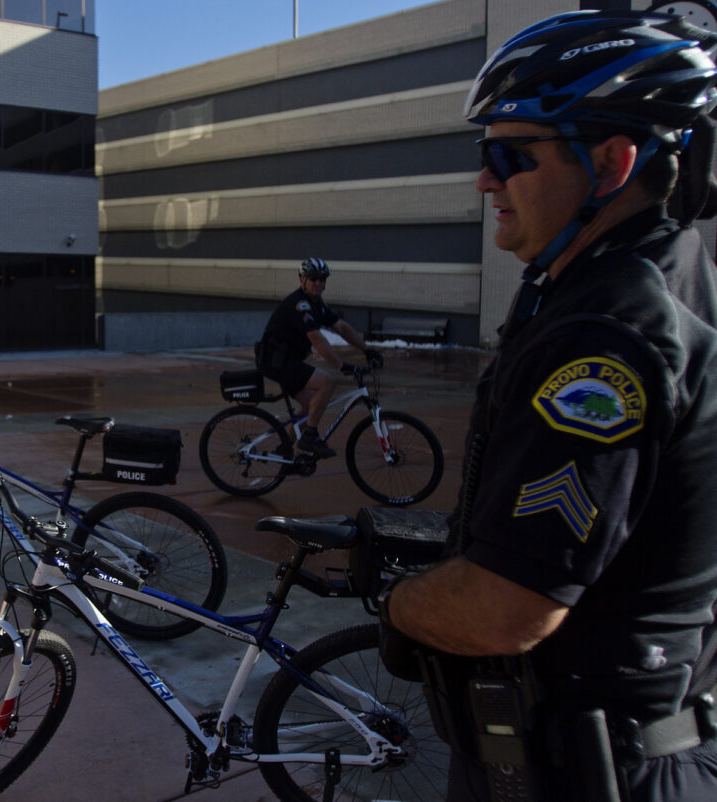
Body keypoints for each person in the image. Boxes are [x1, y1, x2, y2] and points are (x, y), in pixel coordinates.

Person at [379, 10, 717, 802]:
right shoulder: (659, 277)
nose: (485, 179)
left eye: (511, 154)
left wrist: (399, 604)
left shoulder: (607, 334)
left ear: (612, 162)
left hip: (593, 772)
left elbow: (506, 610)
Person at [256, 257, 382, 458]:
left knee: (311, 405)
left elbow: (341, 327)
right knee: (326, 383)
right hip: (276, 362)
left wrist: (367, 350)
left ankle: (285, 448)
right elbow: (317, 339)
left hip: (287, 361)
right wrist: (341, 366)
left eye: (322, 279)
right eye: (313, 278)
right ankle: (309, 437)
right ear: (302, 280)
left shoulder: (317, 304)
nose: (318, 283)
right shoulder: (300, 305)